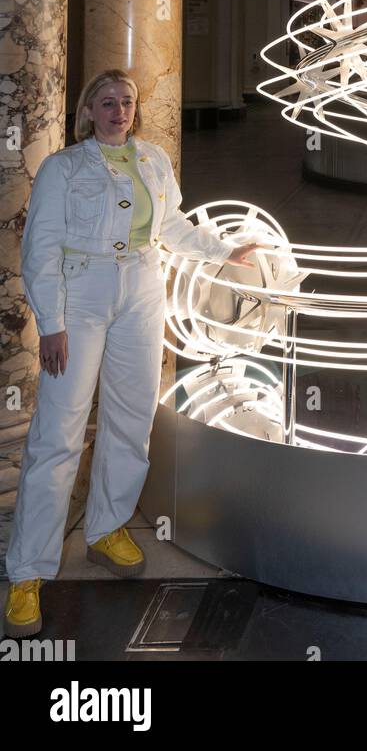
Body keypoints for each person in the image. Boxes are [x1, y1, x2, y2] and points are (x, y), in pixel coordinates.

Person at [3, 70, 260, 638]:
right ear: (88, 110)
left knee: (131, 418)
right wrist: (52, 323)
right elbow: (41, 250)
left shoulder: (153, 160)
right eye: (107, 102)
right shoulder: (62, 168)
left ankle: (106, 528)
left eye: (127, 101)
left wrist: (224, 249)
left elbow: (171, 226)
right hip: (82, 297)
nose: (119, 110)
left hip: (143, 293)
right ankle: (27, 572)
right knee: (59, 430)